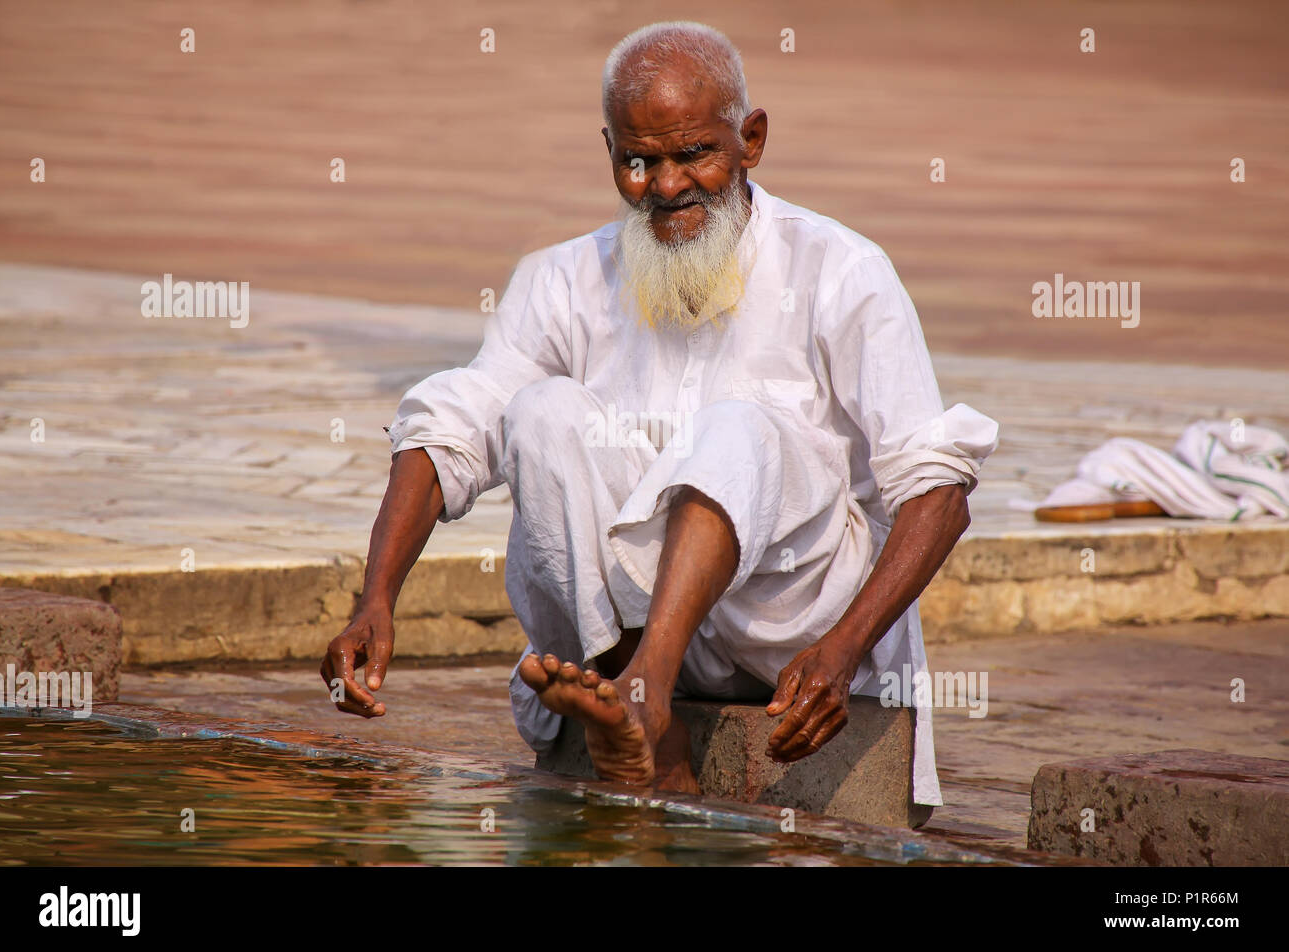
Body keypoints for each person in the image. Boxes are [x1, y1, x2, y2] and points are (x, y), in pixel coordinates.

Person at [321, 21, 1000, 806]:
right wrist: (375, 599)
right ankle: (643, 706)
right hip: (626, 627)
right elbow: (450, 425)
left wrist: (843, 651)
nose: (667, 185)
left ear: (751, 139)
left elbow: (939, 492)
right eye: (638, 162)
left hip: (793, 619)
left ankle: (646, 697)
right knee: (540, 413)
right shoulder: (561, 280)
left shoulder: (842, 271)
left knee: (736, 428)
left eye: (694, 155)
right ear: (609, 149)